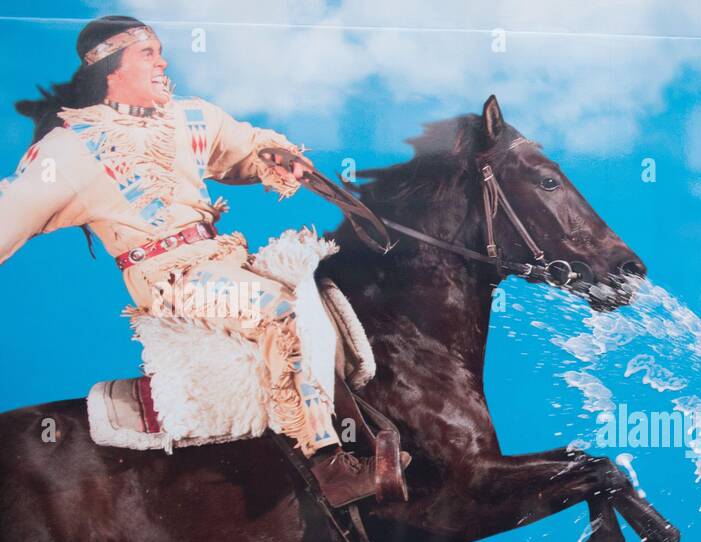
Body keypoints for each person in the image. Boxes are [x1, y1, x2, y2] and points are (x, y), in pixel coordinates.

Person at [0, 14, 403, 507]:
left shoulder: (188, 116)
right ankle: (329, 466)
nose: (162, 61)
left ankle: (358, 428)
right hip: (169, 277)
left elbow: (243, 146)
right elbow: (10, 214)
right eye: (147, 53)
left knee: (319, 293)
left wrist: (274, 156)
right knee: (281, 311)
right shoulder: (70, 148)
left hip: (222, 257)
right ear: (110, 68)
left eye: (160, 51)